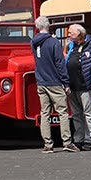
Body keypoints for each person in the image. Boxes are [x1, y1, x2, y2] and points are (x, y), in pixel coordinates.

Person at [58, 23, 91, 151]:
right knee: (76, 114)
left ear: (78, 34)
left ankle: (88, 140)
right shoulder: (71, 46)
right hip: (72, 85)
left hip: (85, 84)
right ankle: (78, 140)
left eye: (70, 32)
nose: (68, 35)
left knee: (88, 113)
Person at [30, 17, 77, 153]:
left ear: (37, 27)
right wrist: (66, 83)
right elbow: (60, 64)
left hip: (41, 82)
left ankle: (47, 144)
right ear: (48, 26)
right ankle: (67, 142)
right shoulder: (53, 42)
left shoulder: (33, 43)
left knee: (45, 113)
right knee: (63, 112)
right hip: (54, 82)